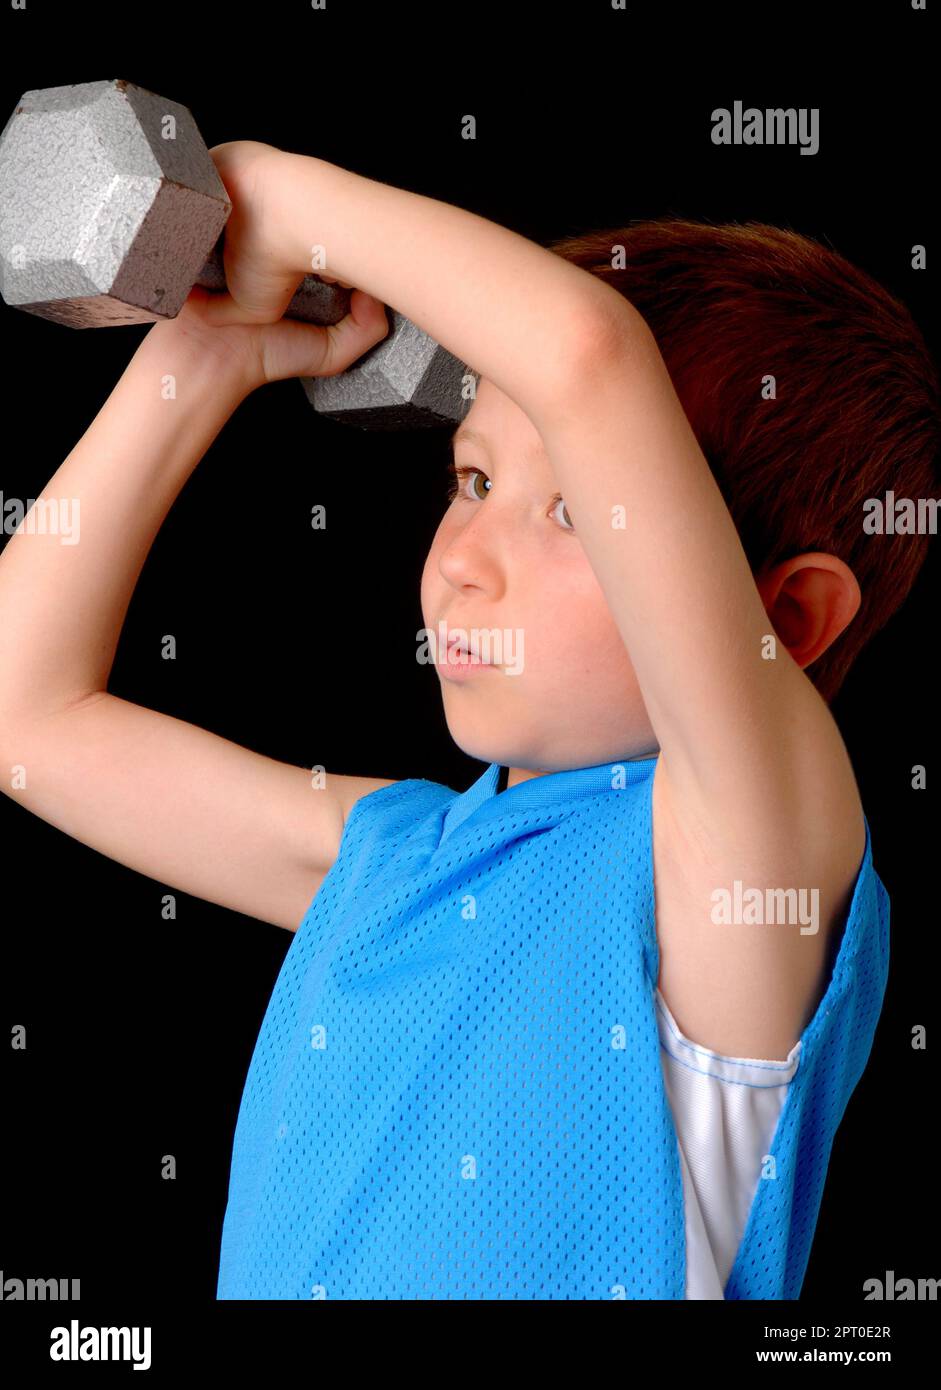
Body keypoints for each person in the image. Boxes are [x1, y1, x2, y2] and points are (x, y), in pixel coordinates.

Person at [0, 142, 935, 1299]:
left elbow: (587, 356)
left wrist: (267, 197)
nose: (463, 566)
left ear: (787, 617)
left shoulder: (744, 865)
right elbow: (27, 719)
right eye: (475, 481)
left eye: (571, 511)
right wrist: (201, 354)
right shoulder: (389, 860)